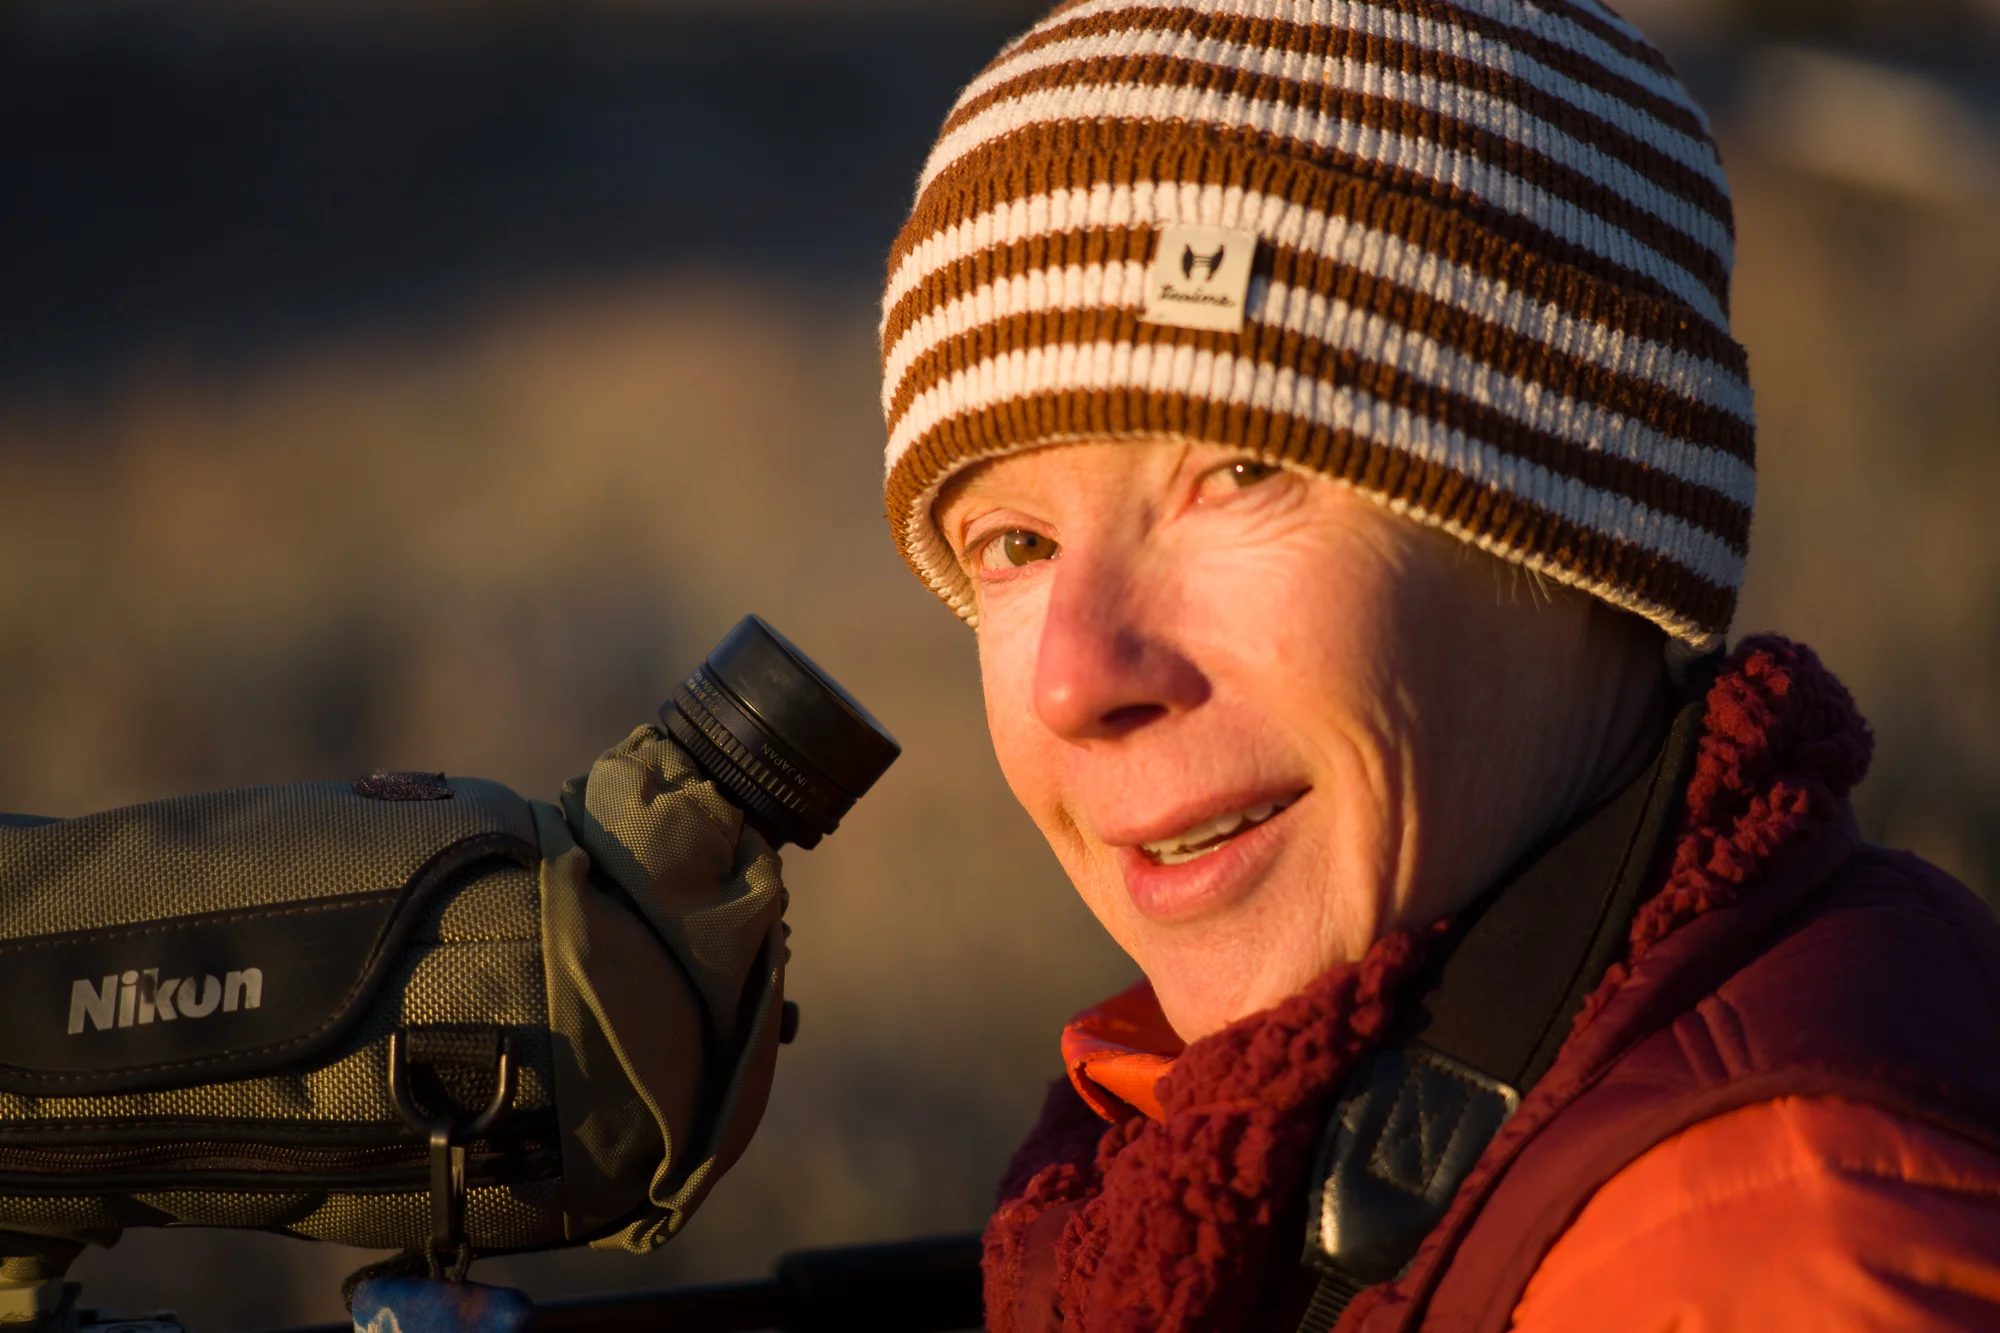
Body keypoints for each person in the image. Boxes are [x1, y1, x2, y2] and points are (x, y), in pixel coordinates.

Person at [874, 2, 2000, 1330]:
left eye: (1240, 470)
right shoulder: (1255, 1156)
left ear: (1587, 507)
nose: (1073, 681)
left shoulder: (1764, 1254)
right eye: (1015, 543)